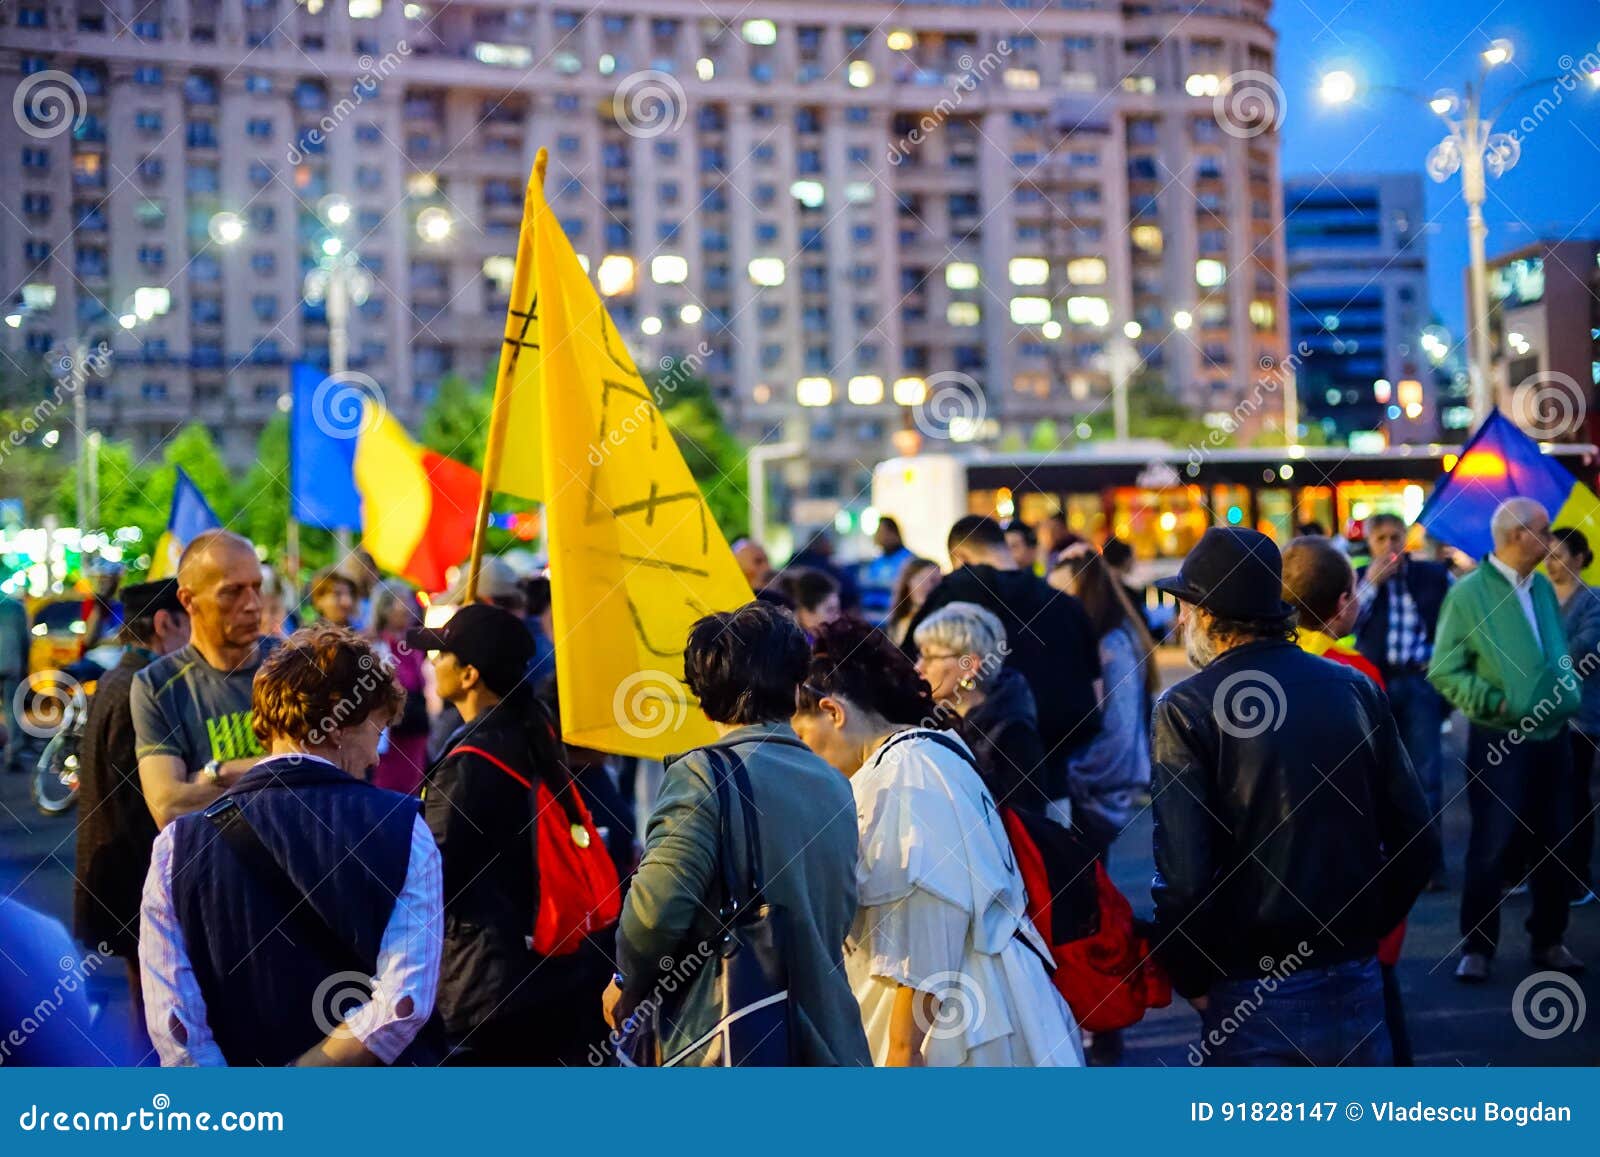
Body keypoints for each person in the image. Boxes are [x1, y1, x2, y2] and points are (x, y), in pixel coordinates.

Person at [1150, 527, 1436, 1066]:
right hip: (1352, 969)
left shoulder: (1185, 707)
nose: (1182, 620)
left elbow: (1184, 877)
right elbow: (1417, 840)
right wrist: (1361, 930)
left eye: (1186, 606)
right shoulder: (1352, 686)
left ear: (1209, 616)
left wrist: (1190, 975)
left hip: (1250, 983)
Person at [139, 625, 442, 1066]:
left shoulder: (176, 846)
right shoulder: (405, 827)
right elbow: (401, 1004)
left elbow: (175, 1023)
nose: (377, 756)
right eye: (375, 730)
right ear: (338, 722)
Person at [794, 618, 1083, 1067]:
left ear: (833, 712)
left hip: (953, 1027)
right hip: (978, 1005)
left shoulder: (905, 770)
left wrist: (903, 1052)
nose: (804, 750)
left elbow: (929, 926)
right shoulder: (927, 750)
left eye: (801, 735)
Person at [606, 601, 870, 1067]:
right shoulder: (834, 781)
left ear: (702, 692)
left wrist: (627, 980)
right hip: (831, 1038)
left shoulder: (702, 775)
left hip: (732, 1040)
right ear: (794, 688)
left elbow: (652, 917)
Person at [414, 604, 618, 1065]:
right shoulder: (531, 734)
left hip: (488, 985)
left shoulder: (469, 763)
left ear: (469, 675)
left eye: (441, 654)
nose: (432, 663)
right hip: (557, 967)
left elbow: (432, 876)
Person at [1430, 498, 1584, 980]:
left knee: (1557, 840)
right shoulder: (1468, 593)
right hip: (1501, 739)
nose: (1552, 540)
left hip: (1554, 733)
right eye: (1544, 531)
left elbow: (1554, 647)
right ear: (1518, 536)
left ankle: (1549, 939)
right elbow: (1444, 668)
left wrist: (1568, 687)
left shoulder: (1539, 586)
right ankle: (1477, 946)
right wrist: (1495, 703)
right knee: (1492, 844)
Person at [1281, 535, 1414, 1064]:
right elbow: (1398, 805)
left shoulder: (1246, 671)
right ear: (1341, 604)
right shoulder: (1357, 676)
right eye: (1355, 589)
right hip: (1355, 890)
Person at [74, 579, 191, 1029]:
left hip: (117, 872)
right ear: (164, 624)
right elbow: (135, 802)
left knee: (149, 1000)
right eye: (189, 625)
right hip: (130, 875)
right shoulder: (138, 686)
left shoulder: (119, 676)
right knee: (157, 1013)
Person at [905, 515, 1101, 763]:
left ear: (961, 559)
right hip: (1059, 772)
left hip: (973, 771)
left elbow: (906, 677)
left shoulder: (952, 596)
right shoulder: (1065, 604)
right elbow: (1096, 690)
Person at [131, 530, 274, 828]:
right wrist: (277, 774)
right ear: (188, 600)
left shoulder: (291, 665)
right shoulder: (158, 685)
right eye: (232, 592)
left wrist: (215, 772)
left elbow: (327, 771)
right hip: (213, 866)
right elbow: (167, 806)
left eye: (256, 588)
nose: (252, 605)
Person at [1356, 513, 1453, 875]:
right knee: (1376, 774)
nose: (1389, 546)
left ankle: (1428, 864)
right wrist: (1371, 584)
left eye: (1395, 537)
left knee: (1425, 773)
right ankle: (1386, 860)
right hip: (1376, 684)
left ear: (1405, 540)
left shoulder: (1431, 575)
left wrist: (1440, 663)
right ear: (1369, 544)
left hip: (1419, 683)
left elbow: (1456, 624)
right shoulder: (1359, 578)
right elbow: (1347, 621)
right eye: (1380, 538)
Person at [1049, 545, 1157, 853]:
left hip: (1095, 794)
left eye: (1063, 596)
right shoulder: (1109, 638)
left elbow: (1120, 732)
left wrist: (1072, 774)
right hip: (1095, 791)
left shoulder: (1111, 645)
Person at [913, 601, 1052, 812]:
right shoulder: (930, 720)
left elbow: (1024, 821)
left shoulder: (1013, 733)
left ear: (970, 666)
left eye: (930, 657)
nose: (918, 668)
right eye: (919, 655)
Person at [1548, 526, 1600, 906]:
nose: (1550, 564)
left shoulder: (1594, 600)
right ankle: (1546, 872)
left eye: (1558, 555)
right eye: (1545, 555)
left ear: (1579, 558)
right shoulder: (1540, 599)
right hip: (1540, 715)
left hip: (1583, 714)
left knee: (1575, 795)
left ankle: (1577, 877)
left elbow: (1582, 652)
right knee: (1548, 796)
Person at [370, 580, 430, 795]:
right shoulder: (376, 646)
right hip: (391, 739)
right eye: (402, 603)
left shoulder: (414, 646)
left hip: (416, 735)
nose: (410, 609)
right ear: (385, 608)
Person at [788, 529, 860, 612]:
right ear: (824, 543)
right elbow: (851, 594)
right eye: (828, 543)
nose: (831, 546)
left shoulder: (797, 559)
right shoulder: (830, 567)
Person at [860, 516, 915, 619]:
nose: (877, 536)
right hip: (872, 617)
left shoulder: (909, 559)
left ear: (894, 533)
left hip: (895, 618)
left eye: (881, 531)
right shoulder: (878, 561)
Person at [0, 585, 27, 774]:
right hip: (11, 663)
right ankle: (13, 754)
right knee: (12, 710)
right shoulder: (15, 607)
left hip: (10, 662)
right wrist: (24, 662)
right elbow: (25, 639)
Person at [886, 557, 941, 647]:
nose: (927, 587)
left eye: (934, 581)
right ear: (908, 582)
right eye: (921, 580)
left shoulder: (939, 624)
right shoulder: (895, 622)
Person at [776, 566, 842, 637]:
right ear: (807, 610)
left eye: (838, 609)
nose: (837, 617)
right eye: (830, 610)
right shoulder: (785, 638)